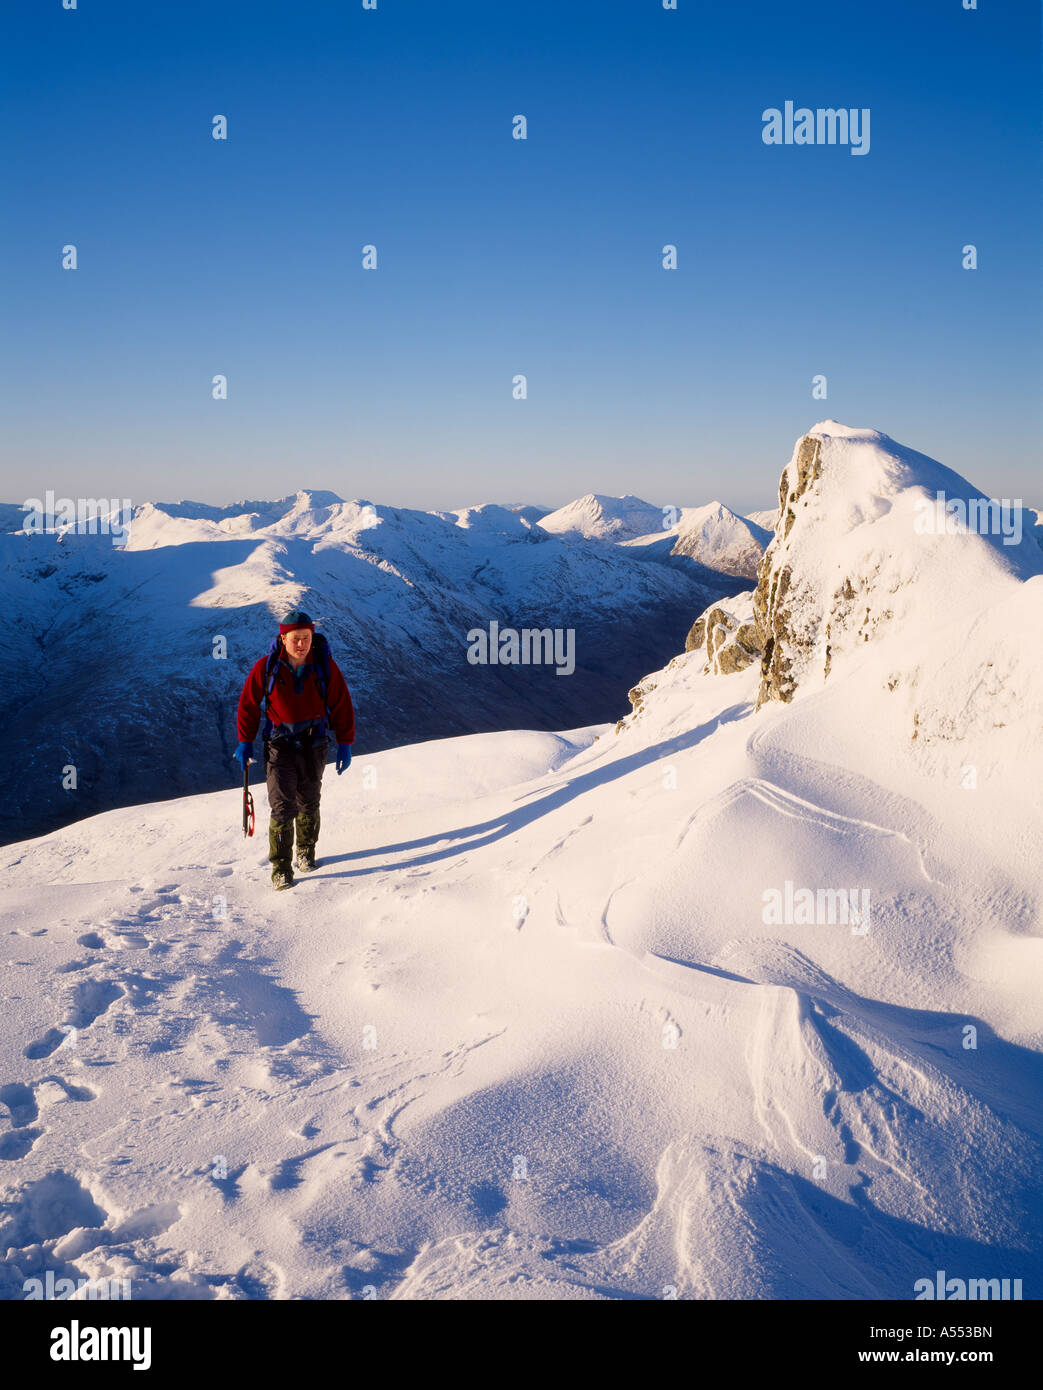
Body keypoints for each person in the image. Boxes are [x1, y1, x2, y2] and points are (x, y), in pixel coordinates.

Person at [233, 610, 355, 889]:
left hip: (315, 743)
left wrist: (345, 742)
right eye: (295, 638)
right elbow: (249, 705)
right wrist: (245, 740)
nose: (301, 644)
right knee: (282, 806)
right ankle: (281, 867)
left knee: (309, 802)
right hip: (280, 745)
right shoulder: (266, 668)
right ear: (283, 638)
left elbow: (341, 704)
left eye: (306, 638)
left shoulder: (325, 667)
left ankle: (306, 852)